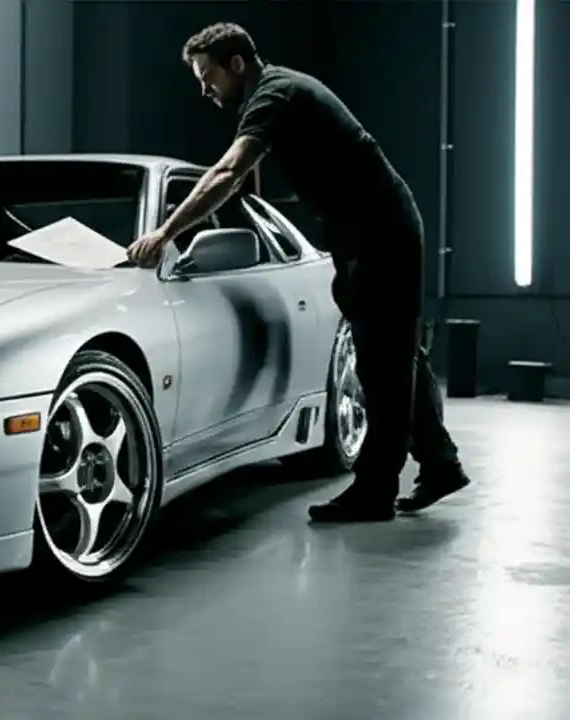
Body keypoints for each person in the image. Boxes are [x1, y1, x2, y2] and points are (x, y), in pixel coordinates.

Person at [128, 22, 470, 522]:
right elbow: (249, 183)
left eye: (207, 75)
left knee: (383, 364)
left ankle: (374, 493)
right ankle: (440, 464)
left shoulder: (276, 93)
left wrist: (164, 233)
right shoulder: (269, 98)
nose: (203, 89)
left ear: (236, 64)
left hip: (380, 231)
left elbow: (229, 172)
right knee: (398, 356)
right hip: (370, 230)